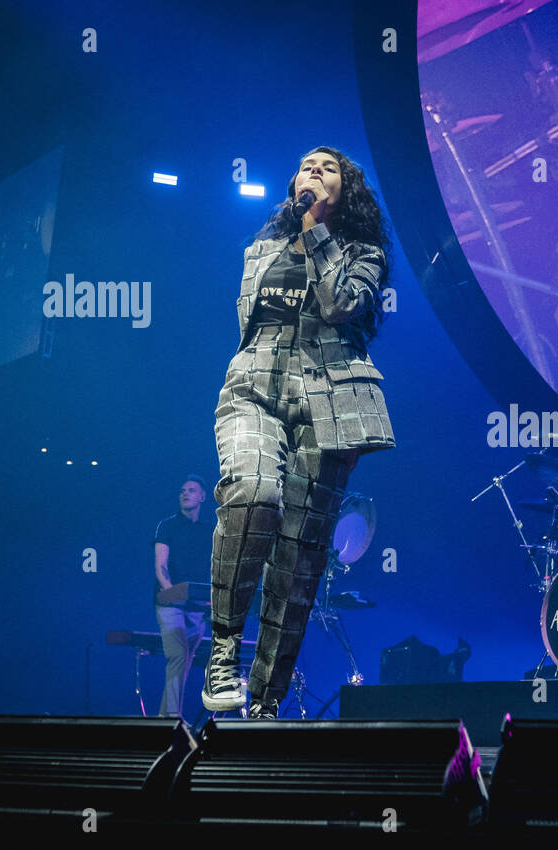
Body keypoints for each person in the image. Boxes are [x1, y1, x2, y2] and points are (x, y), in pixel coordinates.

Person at [204, 146, 395, 718]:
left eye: (328, 167)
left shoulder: (364, 254)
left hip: (330, 400)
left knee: (298, 556)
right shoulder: (259, 250)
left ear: (346, 191)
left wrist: (315, 230)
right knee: (252, 492)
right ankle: (223, 650)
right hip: (254, 386)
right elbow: (252, 328)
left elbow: (339, 304)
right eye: (307, 165)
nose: (314, 170)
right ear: (292, 183)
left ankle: (266, 701)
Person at [153, 475, 214, 718]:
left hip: (197, 606)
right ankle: (171, 719)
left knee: (185, 661)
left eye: (191, 490)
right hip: (171, 604)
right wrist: (171, 592)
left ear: (202, 496)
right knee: (178, 655)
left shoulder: (209, 531)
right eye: (182, 490)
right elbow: (161, 566)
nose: (185, 493)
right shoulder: (167, 526)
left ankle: (166, 719)